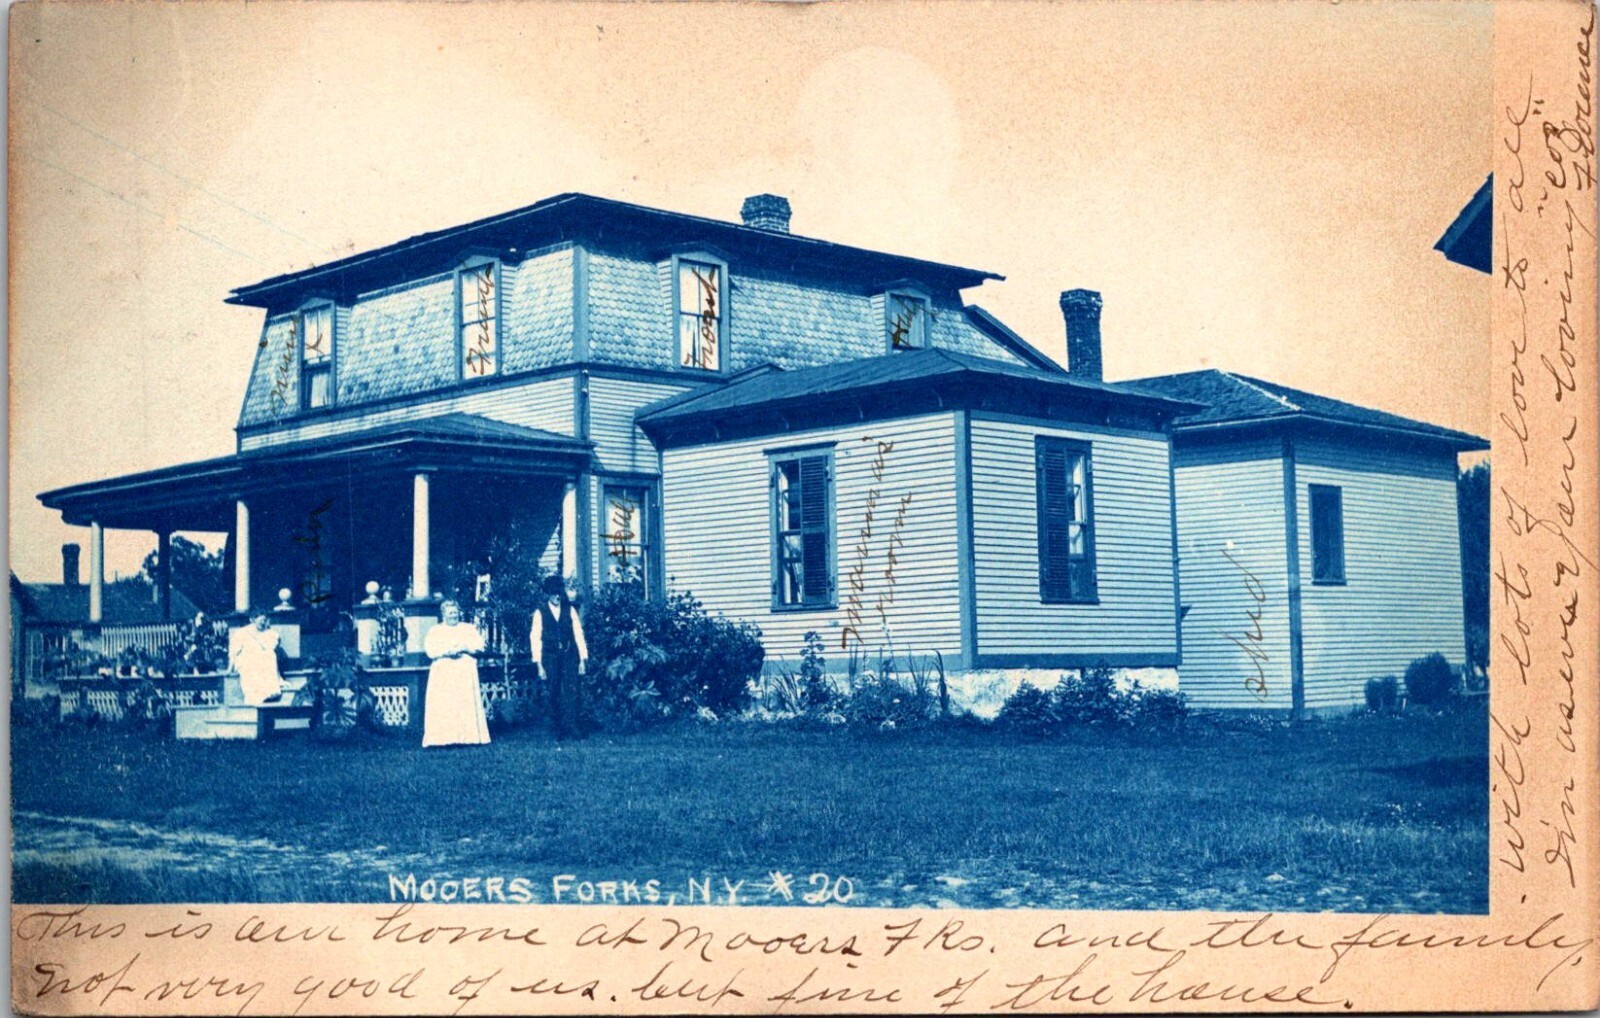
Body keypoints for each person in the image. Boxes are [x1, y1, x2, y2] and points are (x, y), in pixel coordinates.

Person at [422, 599, 490, 747]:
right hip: (444, 671)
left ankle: (467, 737)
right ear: (443, 614)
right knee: (445, 703)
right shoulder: (435, 630)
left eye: (455, 612)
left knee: (463, 702)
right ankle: (442, 739)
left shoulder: (468, 629)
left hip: (464, 670)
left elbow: (480, 647)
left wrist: (464, 647)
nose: (453, 615)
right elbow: (430, 650)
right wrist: (447, 652)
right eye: (450, 613)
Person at [530, 575, 588, 740]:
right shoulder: (539, 613)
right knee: (552, 690)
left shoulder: (570, 610)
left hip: (569, 655)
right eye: (553, 593)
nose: (556, 596)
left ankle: (571, 726)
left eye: (558, 593)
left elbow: (578, 634)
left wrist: (582, 659)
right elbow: (535, 639)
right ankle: (556, 728)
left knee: (571, 689)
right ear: (547, 594)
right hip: (549, 657)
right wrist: (539, 664)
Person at [230, 611, 283, 706]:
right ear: (252, 620)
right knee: (254, 660)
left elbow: (273, 645)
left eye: (264, 620)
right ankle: (255, 697)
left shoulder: (268, 633)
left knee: (269, 655)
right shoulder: (243, 632)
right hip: (246, 659)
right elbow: (234, 651)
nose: (262, 623)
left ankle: (269, 693)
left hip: (261, 659)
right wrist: (229, 668)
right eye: (260, 620)